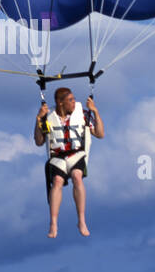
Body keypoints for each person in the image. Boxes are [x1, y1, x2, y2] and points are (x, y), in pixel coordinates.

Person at [34, 87, 104, 238]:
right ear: (60, 103)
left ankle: (82, 220)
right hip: (57, 156)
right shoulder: (48, 117)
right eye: (70, 100)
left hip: (77, 154)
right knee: (58, 181)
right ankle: (53, 223)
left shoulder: (82, 114)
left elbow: (100, 134)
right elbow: (39, 142)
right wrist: (38, 119)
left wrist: (96, 112)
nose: (74, 102)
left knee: (77, 176)